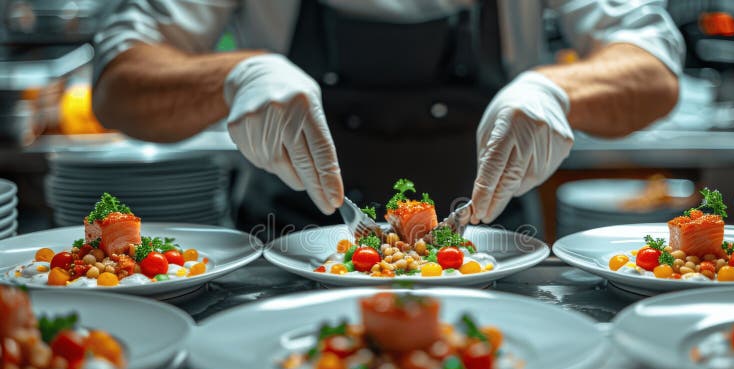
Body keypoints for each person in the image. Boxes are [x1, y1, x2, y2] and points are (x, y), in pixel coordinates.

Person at [92, 0, 683, 226]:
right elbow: (119, 84)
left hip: (492, 256)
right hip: (281, 253)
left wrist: (555, 91)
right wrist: (235, 77)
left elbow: (652, 67)